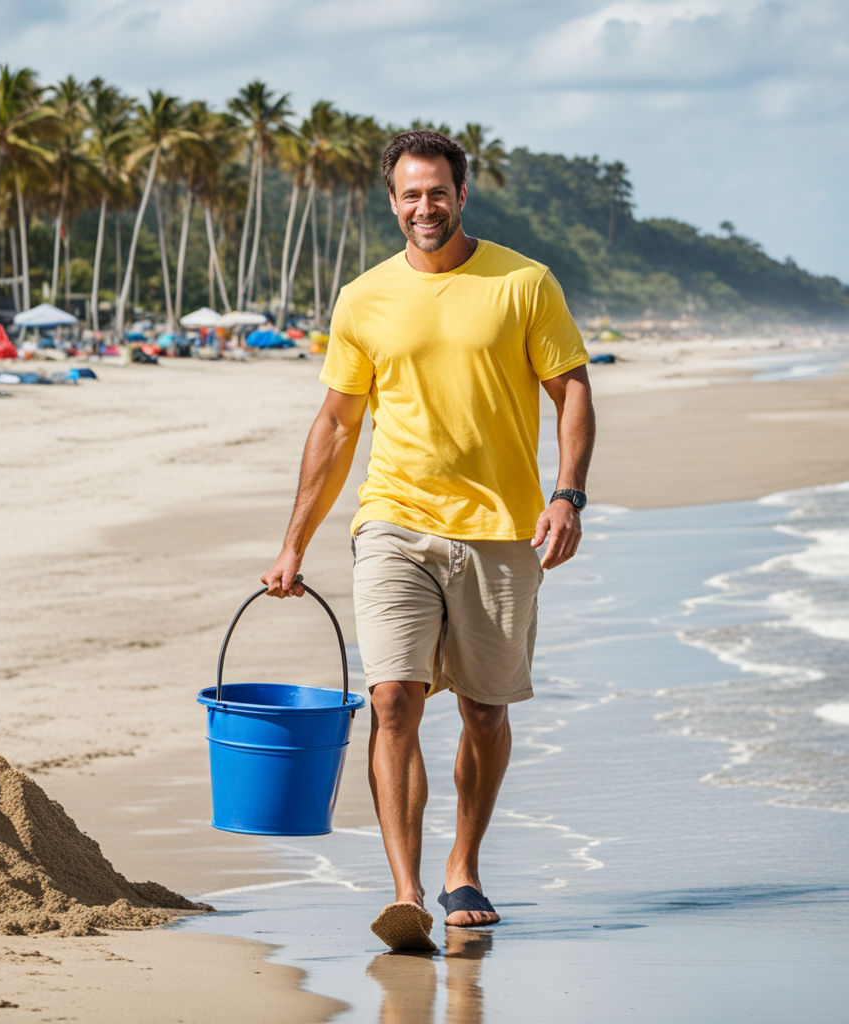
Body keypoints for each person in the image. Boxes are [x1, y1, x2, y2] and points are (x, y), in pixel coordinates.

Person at [261, 129, 595, 952]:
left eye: (436, 193)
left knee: (485, 710)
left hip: (501, 530)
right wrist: (293, 544)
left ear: (461, 195)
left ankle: (463, 866)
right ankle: (406, 892)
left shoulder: (523, 282)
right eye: (409, 195)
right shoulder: (363, 298)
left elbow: (573, 391)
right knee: (392, 701)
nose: (423, 208)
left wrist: (568, 495)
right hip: (394, 524)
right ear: (392, 200)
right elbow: (337, 427)